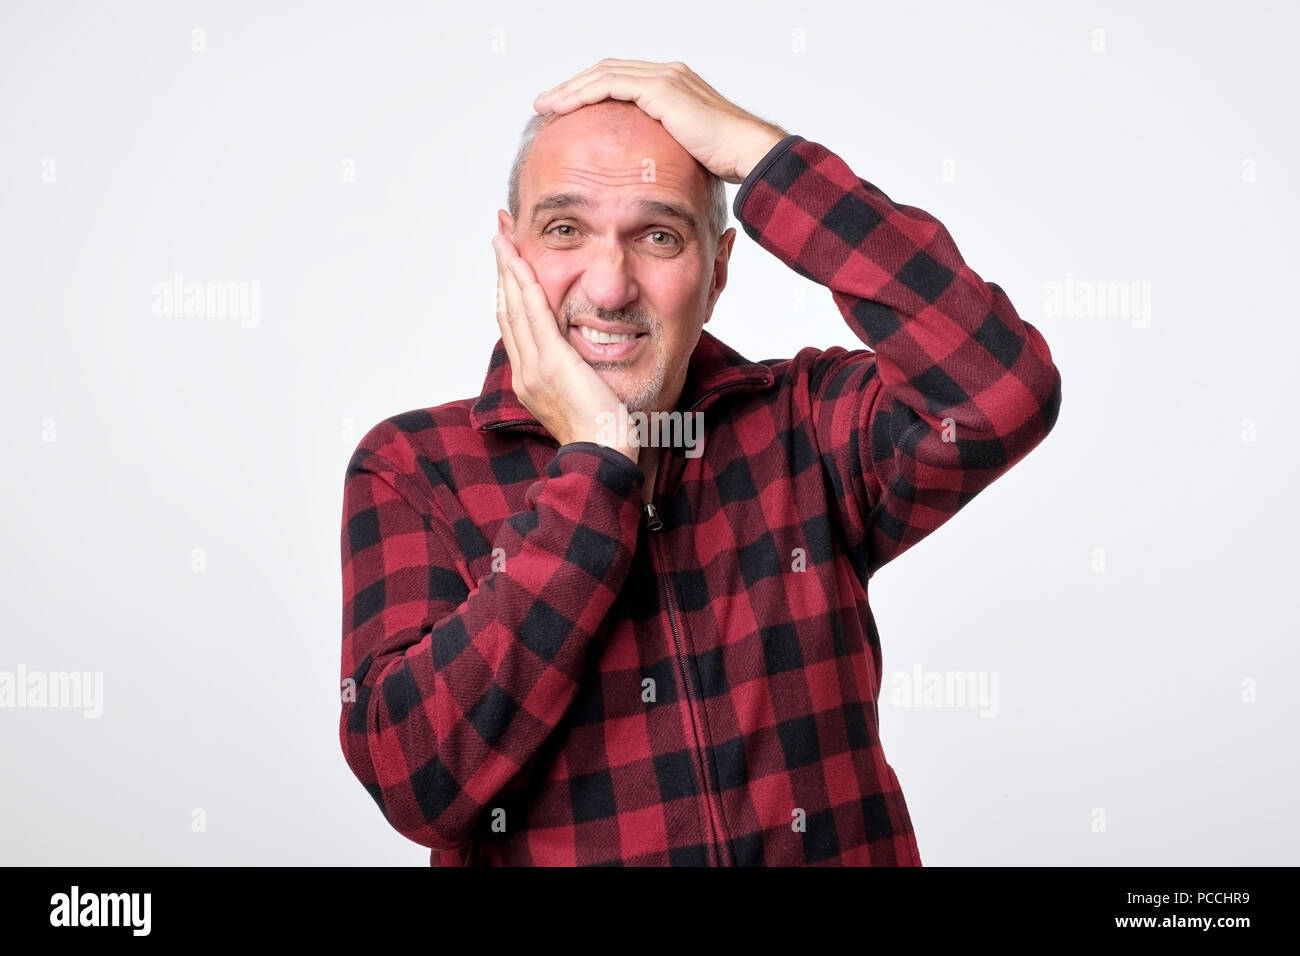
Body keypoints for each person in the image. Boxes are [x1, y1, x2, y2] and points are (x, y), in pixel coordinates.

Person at [338, 59, 1062, 866]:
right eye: (565, 229)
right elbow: (418, 778)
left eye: (657, 236)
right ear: (510, 254)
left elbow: (1002, 390)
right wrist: (595, 466)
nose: (610, 288)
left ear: (718, 270)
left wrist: (766, 160)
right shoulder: (412, 465)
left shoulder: (801, 423)